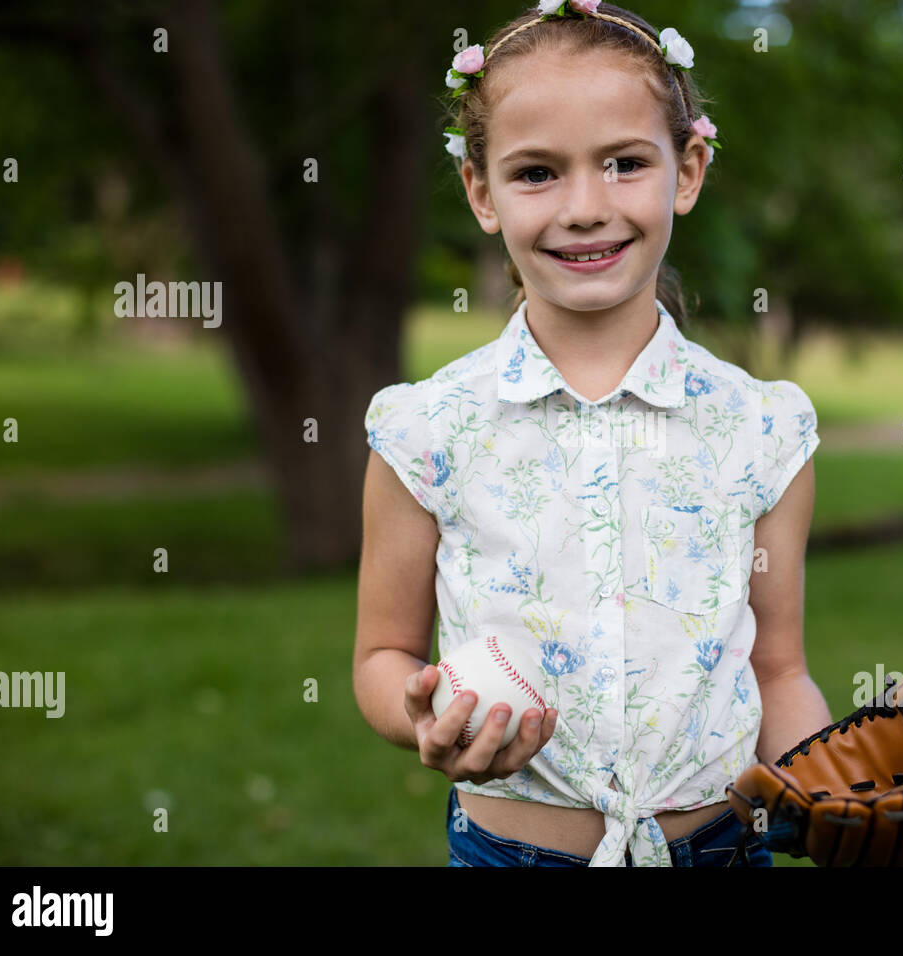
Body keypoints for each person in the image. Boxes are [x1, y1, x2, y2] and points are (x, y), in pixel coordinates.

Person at [353, 0, 830, 867]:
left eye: (624, 163)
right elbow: (383, 654)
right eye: (536, 172)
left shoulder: (760, 430)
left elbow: (779, 671)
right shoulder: (426, 431)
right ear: (480, 191)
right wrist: (420, 714)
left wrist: (842, 799)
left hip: (724, 853)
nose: (584, 207)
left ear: (688, 170)